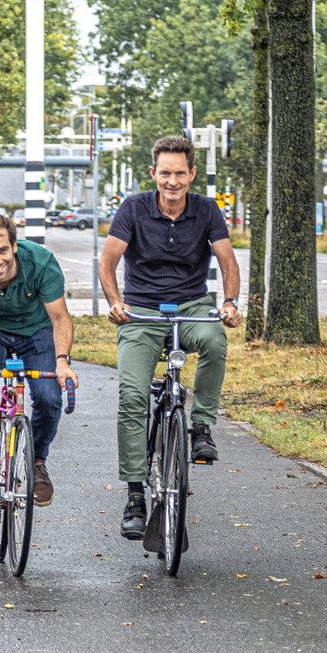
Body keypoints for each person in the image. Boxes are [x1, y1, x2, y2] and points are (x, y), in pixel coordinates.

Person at [98, 135, 243, 540]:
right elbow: (107, 263)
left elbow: (227, 261)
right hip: (142, 312)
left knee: (215, 342)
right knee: (131, 396)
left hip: (193, 306)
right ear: (154, 174)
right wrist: (116, 302)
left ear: (192, 174)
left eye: (180, 173)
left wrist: (229, 302)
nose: (173, 181)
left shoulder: (206, 210)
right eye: (165, 173)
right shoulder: (133, 209)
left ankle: (201, 428)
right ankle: (134, 495)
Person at [0, 213, 79, 514]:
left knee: (49, 397)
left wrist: (62, 361)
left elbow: (60, 318)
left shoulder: (41, 262)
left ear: (14, 246)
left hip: (36, 329)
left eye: (3, 250)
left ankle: (37, 462)